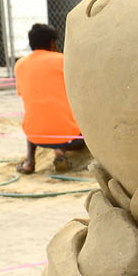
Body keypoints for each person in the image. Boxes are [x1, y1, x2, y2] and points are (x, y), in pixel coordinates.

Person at [15, 23, 87, 174]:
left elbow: (22, 93)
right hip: (71, 139)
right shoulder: (63, 60)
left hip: (36, 137)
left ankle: (29, 161)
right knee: (72, 112)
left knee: (36, 111)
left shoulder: (20, 64)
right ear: (52, 43)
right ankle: (61, 150)